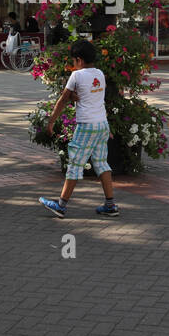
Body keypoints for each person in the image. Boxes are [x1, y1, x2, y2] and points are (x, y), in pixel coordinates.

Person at [39, 39, 118, 219]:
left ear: (79, 60)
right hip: (101, 125)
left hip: (86, 126)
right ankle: (110, 204)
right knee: (102, 164)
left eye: (73, 61)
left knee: (75, 164)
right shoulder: (100, 74)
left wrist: (51, 121)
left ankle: (61, 205)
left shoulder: (77, 75)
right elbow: (92, 97)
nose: (73, 65)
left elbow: (63, 99)